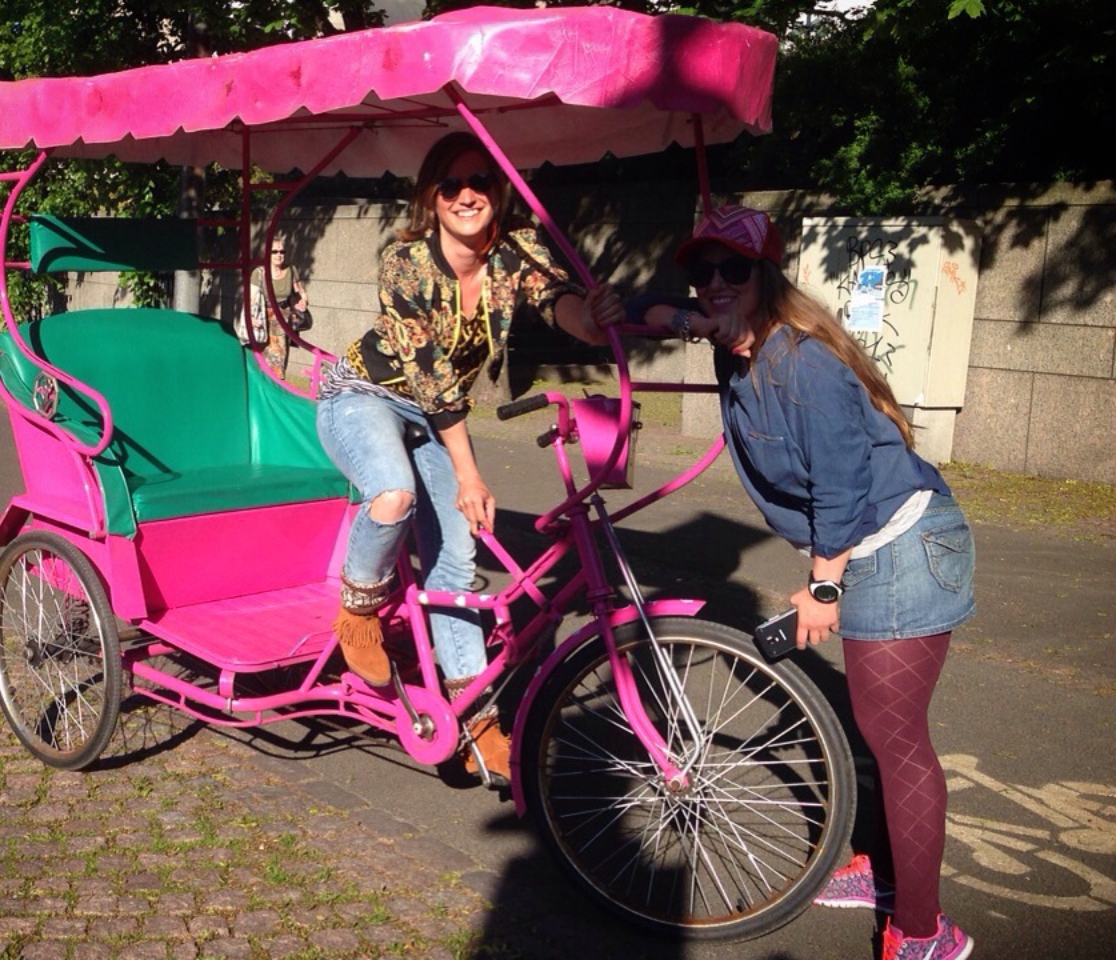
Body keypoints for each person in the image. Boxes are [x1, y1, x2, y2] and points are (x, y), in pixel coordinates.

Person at [638, 205, 976, 960]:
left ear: (765, 275)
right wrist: (668, 315)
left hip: (901, 544)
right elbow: (655, 312)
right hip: (873, 546)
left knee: (898, 741)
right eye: (702, 272)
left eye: (732, 269)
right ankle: (886, 875)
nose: (714, 284)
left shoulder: (804, 361)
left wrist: (823, 587)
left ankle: (922, 932)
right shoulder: (738, 342)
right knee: (878, 728)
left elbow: (843, 482)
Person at [315, 131, 623, 785]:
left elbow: (556, 298)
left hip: (435, 415)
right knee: (393, 494)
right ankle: (357, 611)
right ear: (432, 196)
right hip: (365, 395)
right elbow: (429, 377)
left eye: (480, 180)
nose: (467, 194)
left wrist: (592, 321)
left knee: (456, 561)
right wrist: (469, 471)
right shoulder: (406, 262)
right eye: (451, 184)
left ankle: (475, 721)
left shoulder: (516, 251)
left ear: (498, 189)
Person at [236, 237, 309, 376]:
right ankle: (268, 386)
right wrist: (250, 317)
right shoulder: (260, 273)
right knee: (265, 357)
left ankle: (277, 385)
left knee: (280, 356)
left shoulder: (291, 270)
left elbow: (301, 292)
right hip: (264, 318)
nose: (279, 255)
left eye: (282, 251)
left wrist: (303, 301)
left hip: (283, 318)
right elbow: (250, 298)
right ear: (267, 254)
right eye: (274, 252)